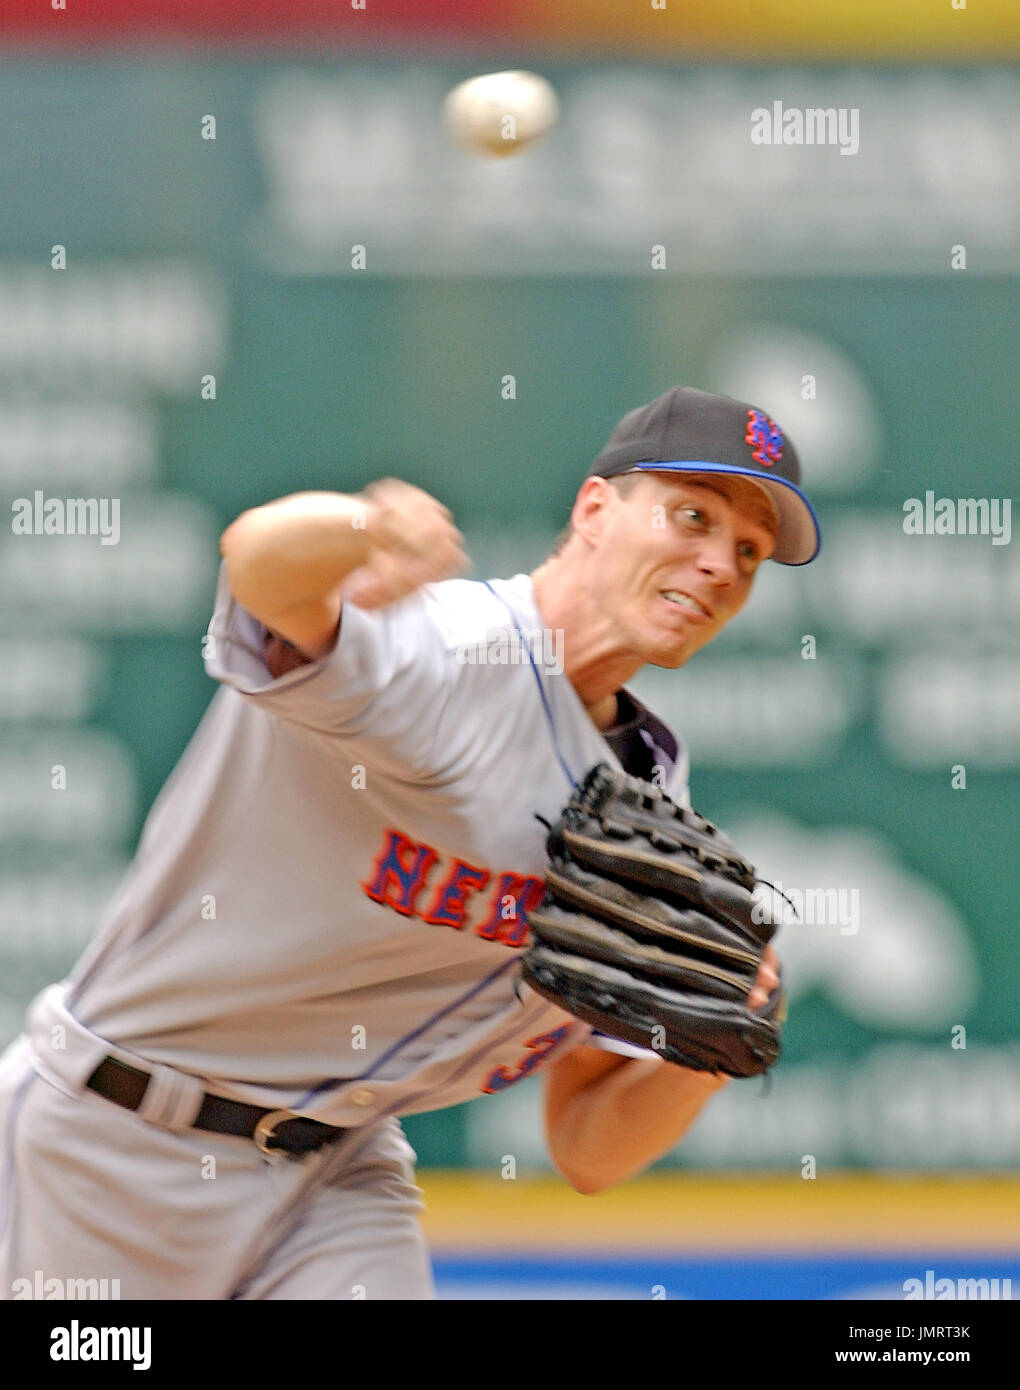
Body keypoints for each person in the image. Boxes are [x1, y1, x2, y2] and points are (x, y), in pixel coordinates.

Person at [0, 385, 820, 1301]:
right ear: (595, 510)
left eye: (747, 552)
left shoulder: (646, 799)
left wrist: (709, 1055)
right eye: (690, 517)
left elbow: (587, 1148)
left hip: (335, 1177)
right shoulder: (446, 652)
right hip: (111, 1143)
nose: (717, 563)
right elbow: (260, 564)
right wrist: (363, 527)